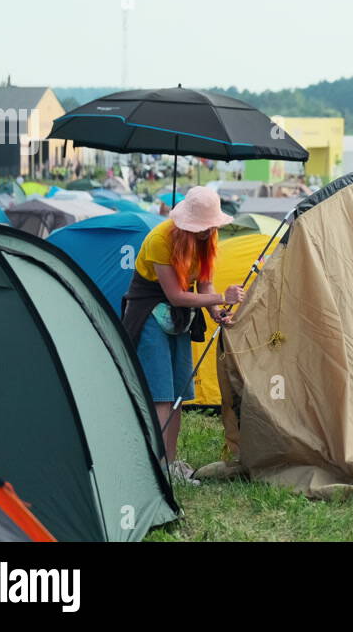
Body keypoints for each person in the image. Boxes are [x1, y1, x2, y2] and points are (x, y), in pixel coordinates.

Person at [121, 186, 245, 484]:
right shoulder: (160, 240)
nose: (207, 231)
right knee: (161, 395)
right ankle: (159, 468)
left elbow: (203, 285)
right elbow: (176, 295)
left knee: (178, 395)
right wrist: (218, 298)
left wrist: (217, 312)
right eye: (202, 226)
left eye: (210, 226)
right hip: (150, 311)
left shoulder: (209, 238)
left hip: (179, 318)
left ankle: (171, 463)